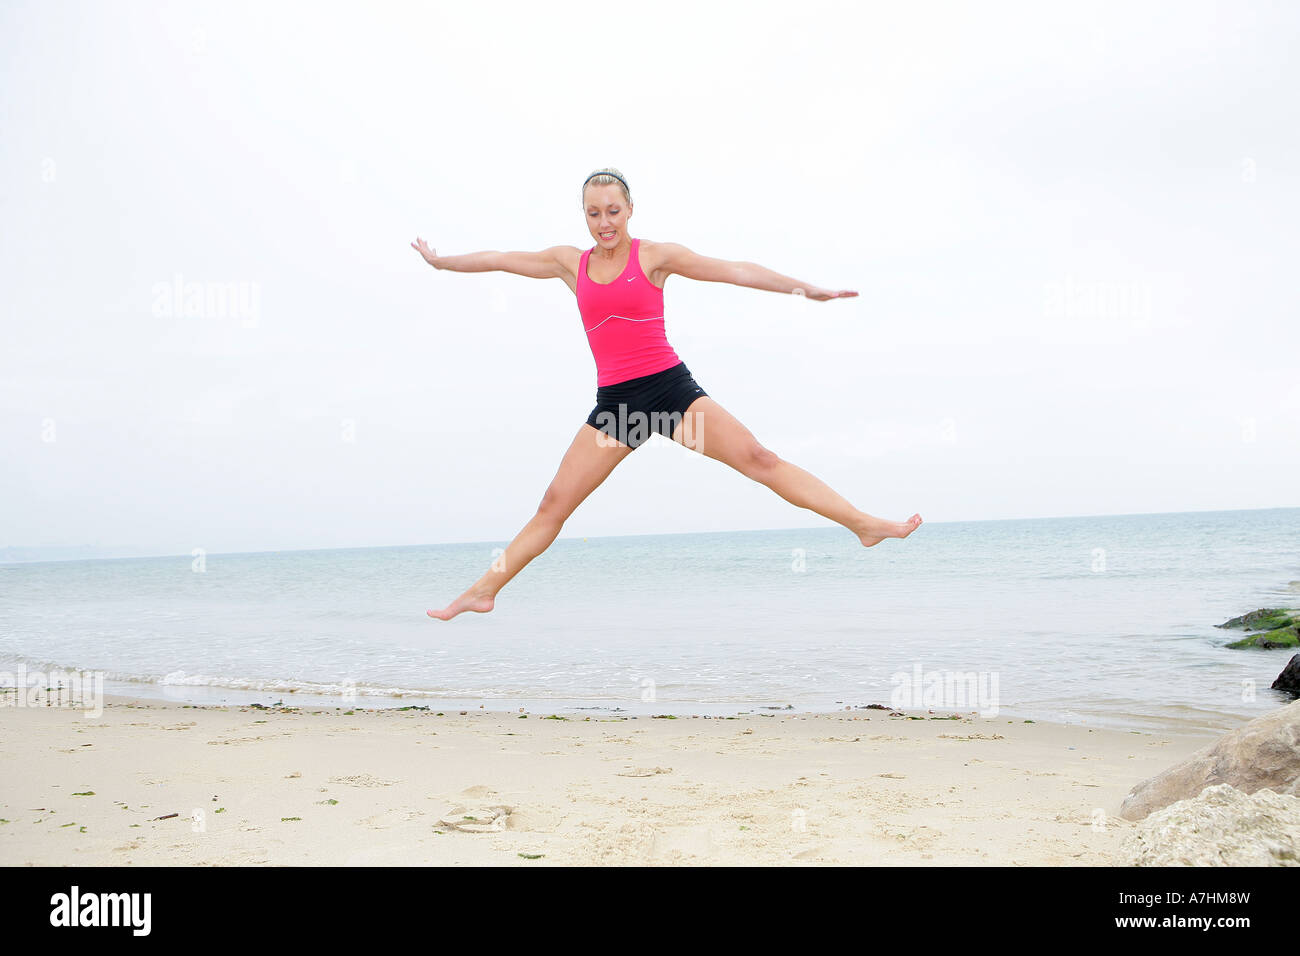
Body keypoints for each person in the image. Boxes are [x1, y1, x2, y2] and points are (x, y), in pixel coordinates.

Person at [411, 167, 921, 621]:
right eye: (593, 213)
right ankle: (481, 592)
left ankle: (864, 524)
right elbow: (502, 259)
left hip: (671, 393)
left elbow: (734, 270)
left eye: (613, 210)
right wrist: (442, 263)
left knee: (759, 459)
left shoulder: (654, 256)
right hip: (619, 408)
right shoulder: (570, 263)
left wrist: (807, 289)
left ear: (630, 209)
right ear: (583, 217)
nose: (604, 221)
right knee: (552, 506)